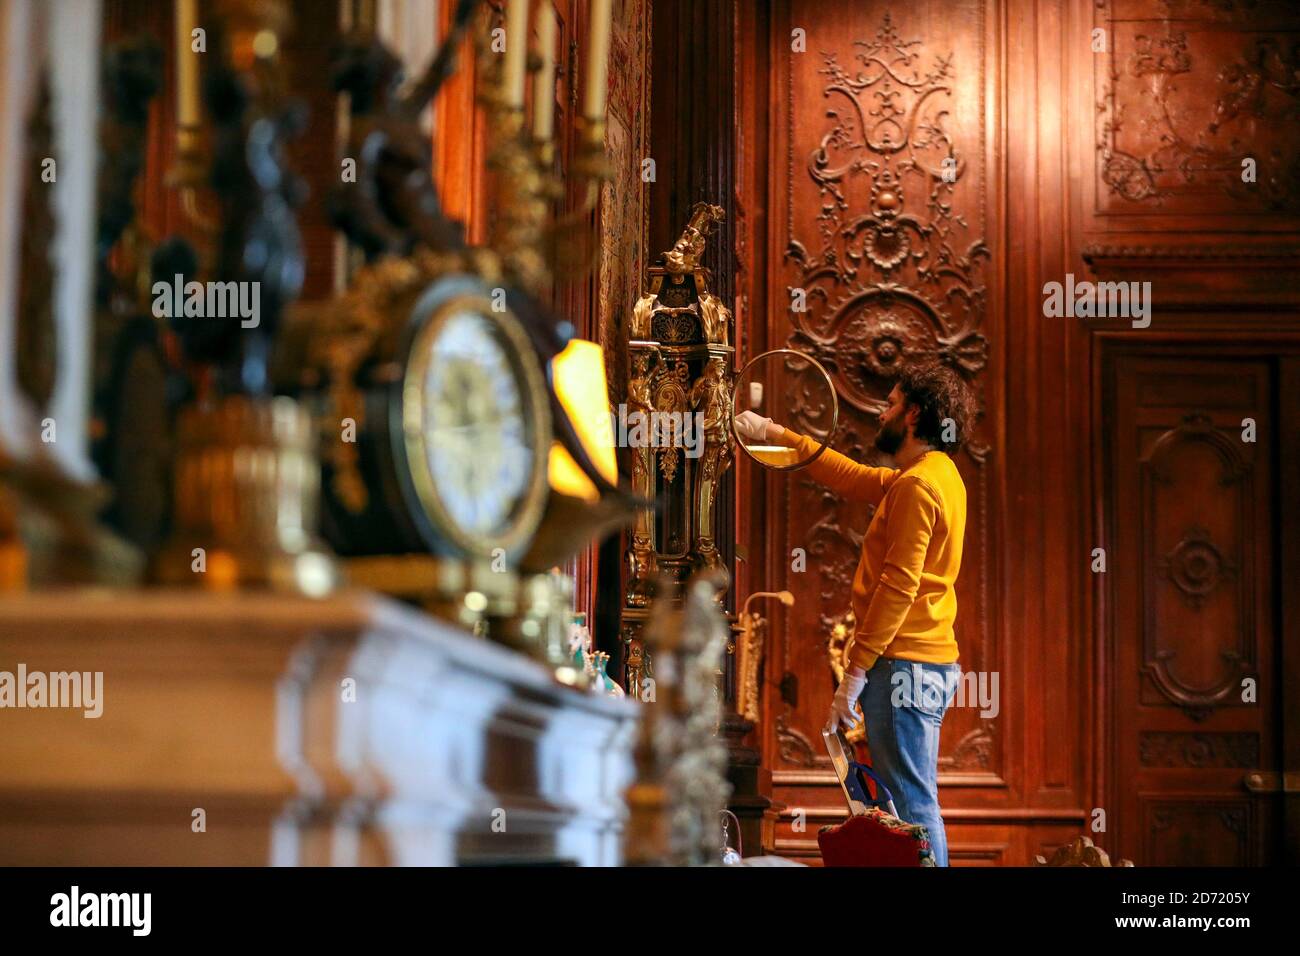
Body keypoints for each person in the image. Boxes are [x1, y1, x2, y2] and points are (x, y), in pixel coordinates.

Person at [734, 361, 972, 866]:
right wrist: (778, 435)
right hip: (925, 663)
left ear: (911, 414)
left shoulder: (916, 486)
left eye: (889, 403)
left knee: (911, 802)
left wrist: (855, 675)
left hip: (904, 664)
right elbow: (852, 476)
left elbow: (898, 587)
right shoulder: (935, 476)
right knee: (908, 799)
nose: (880, 412)